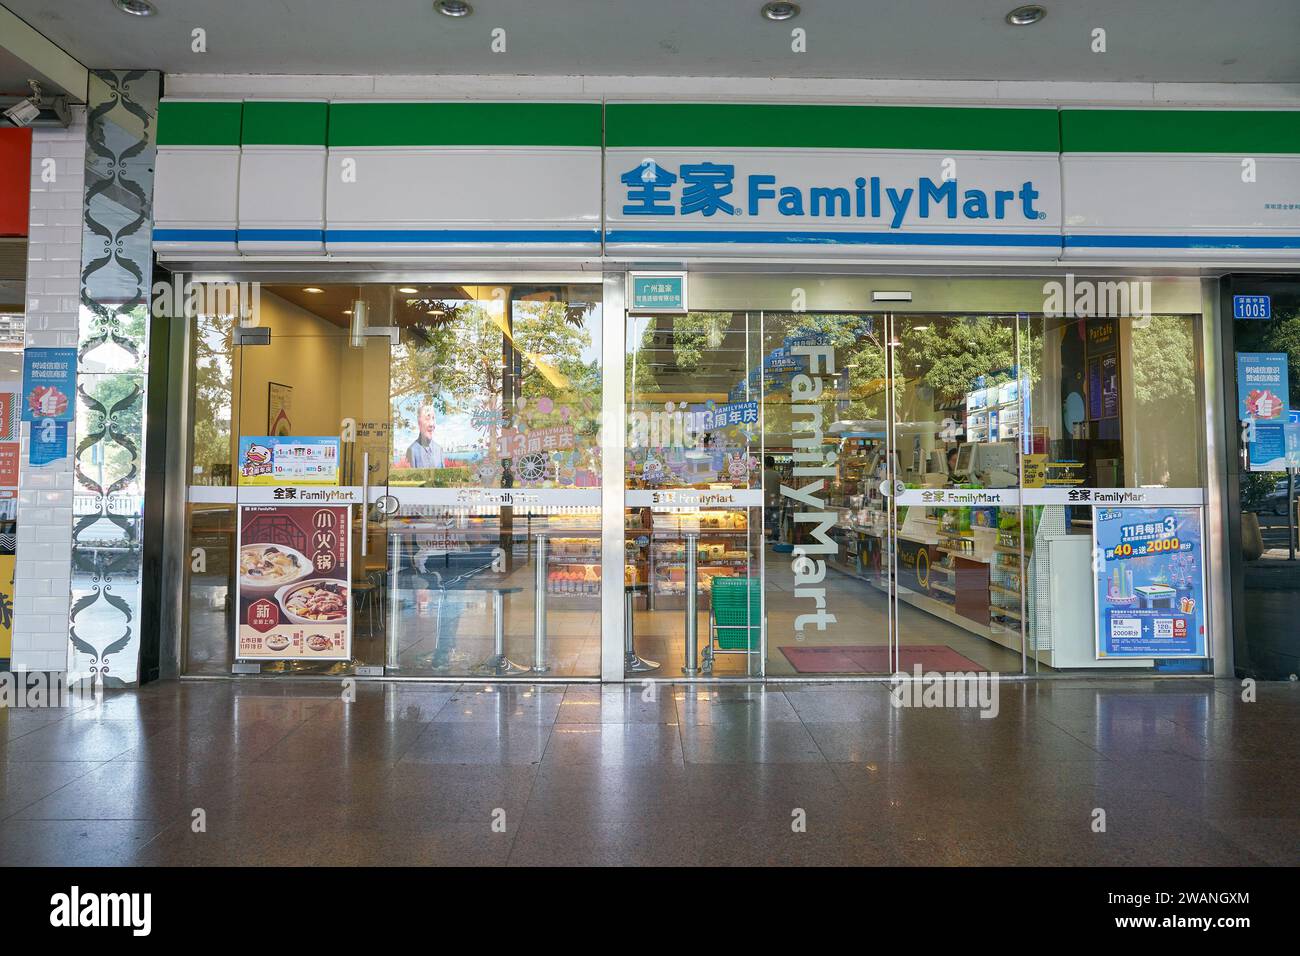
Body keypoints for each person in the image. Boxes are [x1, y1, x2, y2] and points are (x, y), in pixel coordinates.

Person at [404, 403, 445, 469]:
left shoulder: (439, 450)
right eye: (427, 418)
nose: (432, 424)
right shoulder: (412, 451)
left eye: (433, 418)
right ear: (419, 422)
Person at [762, 455, 781, 540]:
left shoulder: (761, 475)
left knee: (766, 521)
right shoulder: (778, 475)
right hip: (775, 502)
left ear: (765, 464)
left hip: (764, 502)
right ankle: (775, 538)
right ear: (773, 464)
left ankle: (768, 538)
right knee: (775, 521)